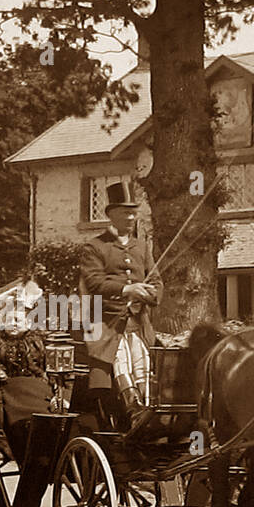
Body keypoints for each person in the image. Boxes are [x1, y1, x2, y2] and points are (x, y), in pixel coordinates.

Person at [79, 179, 163, 436]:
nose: (131, 217)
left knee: (145, 361)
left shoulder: (141, 247)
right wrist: (127, 289)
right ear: (111, 215)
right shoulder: (95, 247)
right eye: (125, 212)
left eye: (133, 212)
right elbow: (93, 283)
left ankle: (149, 410)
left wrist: (149, 294)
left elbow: (157, 280)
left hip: (139, 324)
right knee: (120, 360)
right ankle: (132, 408)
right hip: (106, 325)